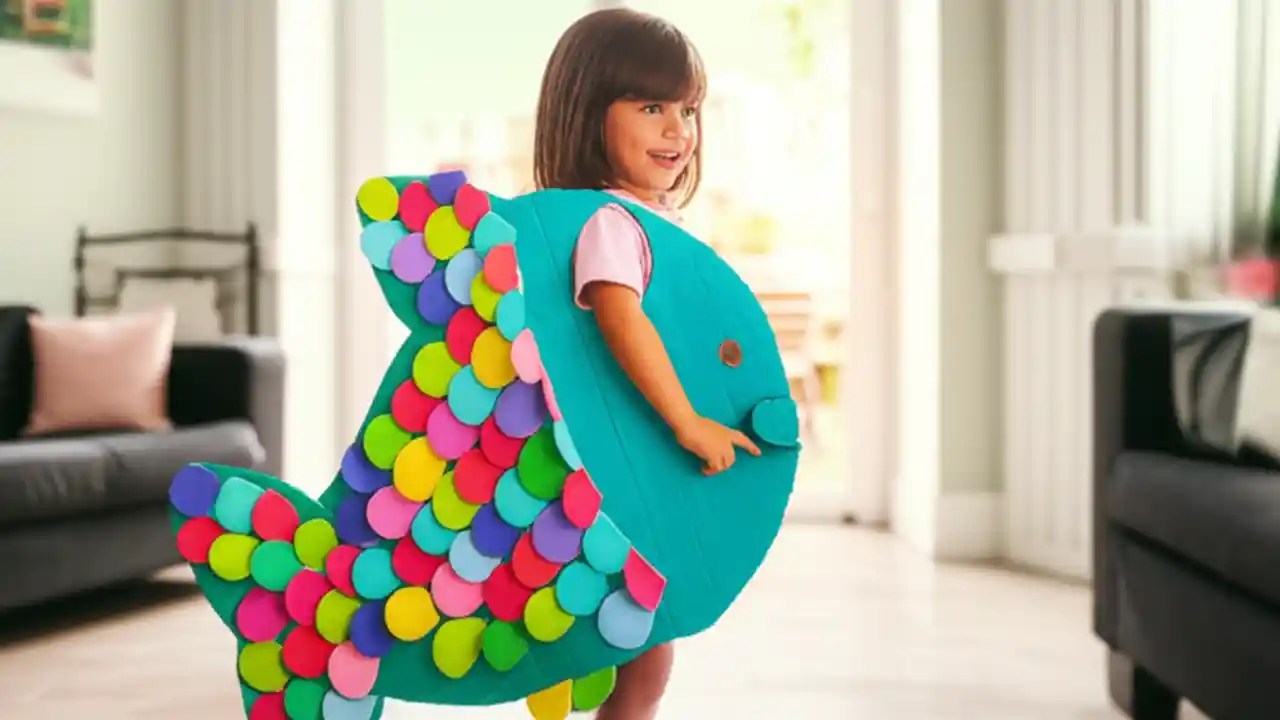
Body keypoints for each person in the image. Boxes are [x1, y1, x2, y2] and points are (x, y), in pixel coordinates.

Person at [533, 7, 761, 719]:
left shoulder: (647, 219)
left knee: (642, 645)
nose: (677, 130)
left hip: (633, 467)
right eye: (651, 107)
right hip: (615, 469)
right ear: (587, 114)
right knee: (642, 643)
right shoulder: (611, 221)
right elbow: (619, 315)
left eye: (688, 110)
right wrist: (687, 420)